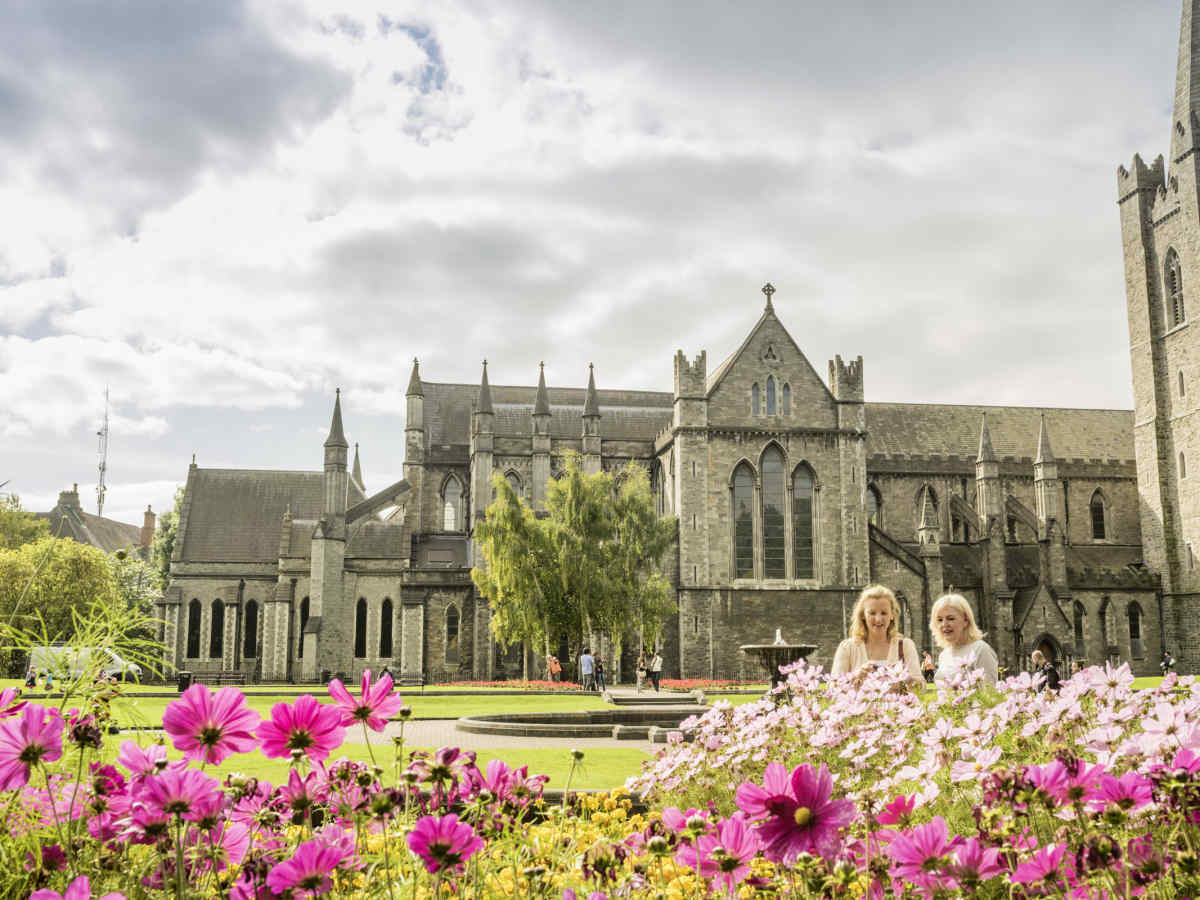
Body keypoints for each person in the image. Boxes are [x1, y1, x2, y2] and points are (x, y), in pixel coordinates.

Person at [831, 584, 924, 685]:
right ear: (863, 615)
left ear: (892, 615)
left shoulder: (905, 646)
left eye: (884, 613)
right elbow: (832, 687)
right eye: (872, 613)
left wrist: (906, 678)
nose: (878, 619)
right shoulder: (847, 648)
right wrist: (855, 676)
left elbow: (920, 687)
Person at [930, 593, 999, 687]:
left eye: (950, 618)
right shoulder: (944, 654)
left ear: (966, 621)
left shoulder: (980, 650)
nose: (944, 624)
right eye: (940, 620)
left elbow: (990, 692)